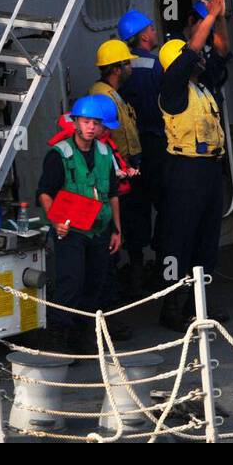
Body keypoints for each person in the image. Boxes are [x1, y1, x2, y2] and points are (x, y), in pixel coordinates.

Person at [156, 0, 232, 331]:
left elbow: (222, 52)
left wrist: (221, 19)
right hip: (185, 171)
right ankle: (172, 306)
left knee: (205, 239)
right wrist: (211, 15)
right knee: (179, 238)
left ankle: (200, 303)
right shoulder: (172, 90)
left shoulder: (202, 85)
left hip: (208, 171)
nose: (202, 59)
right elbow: (191, 52)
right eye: (194, 56)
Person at [36, 96, 123, 354]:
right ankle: (58, 341)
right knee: (70, 283)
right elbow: (44, 193)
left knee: (94, 285)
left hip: (99, 230)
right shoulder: (59, 155)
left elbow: (114, 194)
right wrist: (56, 220)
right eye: (86, 122)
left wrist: (117, 230)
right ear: (75, 123)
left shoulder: (106, 154)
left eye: (96, 123)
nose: (91, 128)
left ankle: (82, 339)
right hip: (71, 231)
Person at [90, 38, 150, 296]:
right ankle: (118, 289)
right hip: (115, 175)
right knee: (119, 227)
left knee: (134, 225)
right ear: (116, 68)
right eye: (127, 63)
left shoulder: (112, 94)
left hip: (127, 171)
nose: (130, 68)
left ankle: (134, 278)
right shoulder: (101, 96)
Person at [117, 7, 165, 287]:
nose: (154, 31)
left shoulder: (121, 67)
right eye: (151, 27)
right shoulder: (156, 65)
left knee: (135, 207)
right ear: (143, 35)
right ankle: (162, 265)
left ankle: (135, 267)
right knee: (165, 204)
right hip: (157, 145)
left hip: (129, 151)